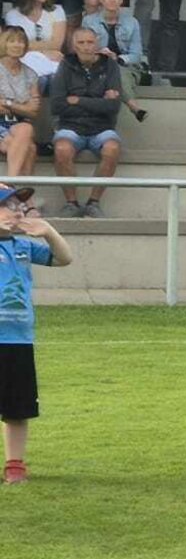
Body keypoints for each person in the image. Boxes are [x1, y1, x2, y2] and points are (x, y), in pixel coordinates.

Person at [0, 184, 72, 483]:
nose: (17, 211)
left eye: (19, 205)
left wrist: (49, 232)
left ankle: (15, 465)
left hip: (18, 339)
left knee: (17, 407)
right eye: (8, 205)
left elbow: (63, 258)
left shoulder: (23, 246)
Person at [48, 30, 133, 218]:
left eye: (90, 42)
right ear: (74, 45)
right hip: (70, 126)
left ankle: (93, 202)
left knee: (112, 148)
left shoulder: (110, 66)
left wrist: (77, 100)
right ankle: (72, 203)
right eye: (81, 42)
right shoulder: (66, 65)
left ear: (96, 44)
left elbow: (112, 107)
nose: (86, 46)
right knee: (62, 148)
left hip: (102, 127)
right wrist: (98, 102)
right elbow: (57, 105)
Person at [6, 0, 67, 81]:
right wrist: (43, 52)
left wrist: (28, 46)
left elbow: (57, 44)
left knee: (56, 78)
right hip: (25, 62)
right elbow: (15, 45)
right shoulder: (13, 15)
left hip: (52, 61)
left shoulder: (57, 11)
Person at [0, 29, 41, 178]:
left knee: (25, 129)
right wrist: (23, 107)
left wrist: (8, 103)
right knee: (29, 148)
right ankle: (23, 197)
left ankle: (9, 187)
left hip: (18, 126)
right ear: (4, 44)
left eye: (21, 41)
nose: (17, 45)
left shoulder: (30, 74)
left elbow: (34, 111)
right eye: (12, 41)